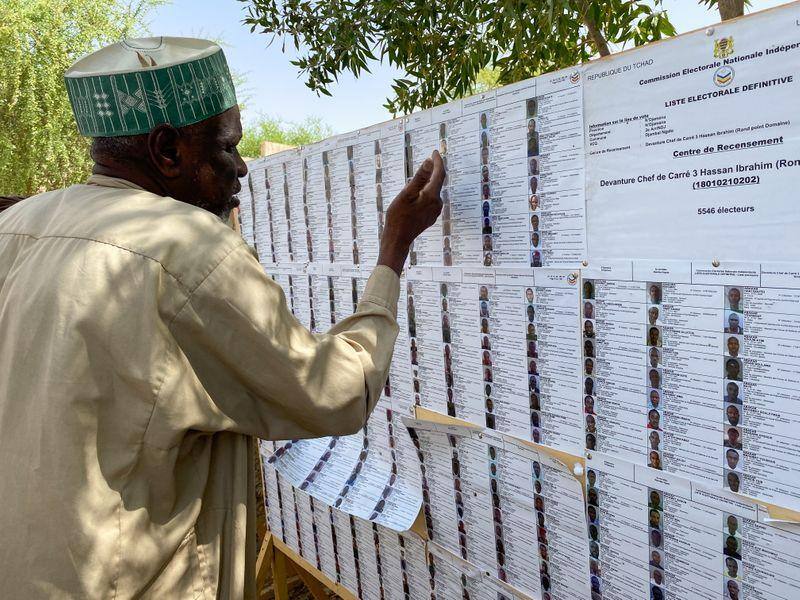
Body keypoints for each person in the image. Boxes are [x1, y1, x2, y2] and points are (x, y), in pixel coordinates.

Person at [0, 38, 446, 598]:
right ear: (168, 150)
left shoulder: (17, 227)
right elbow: (336, 392)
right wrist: (393, 250)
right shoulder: (187, 248)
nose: (240, 168)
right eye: (226, 147)